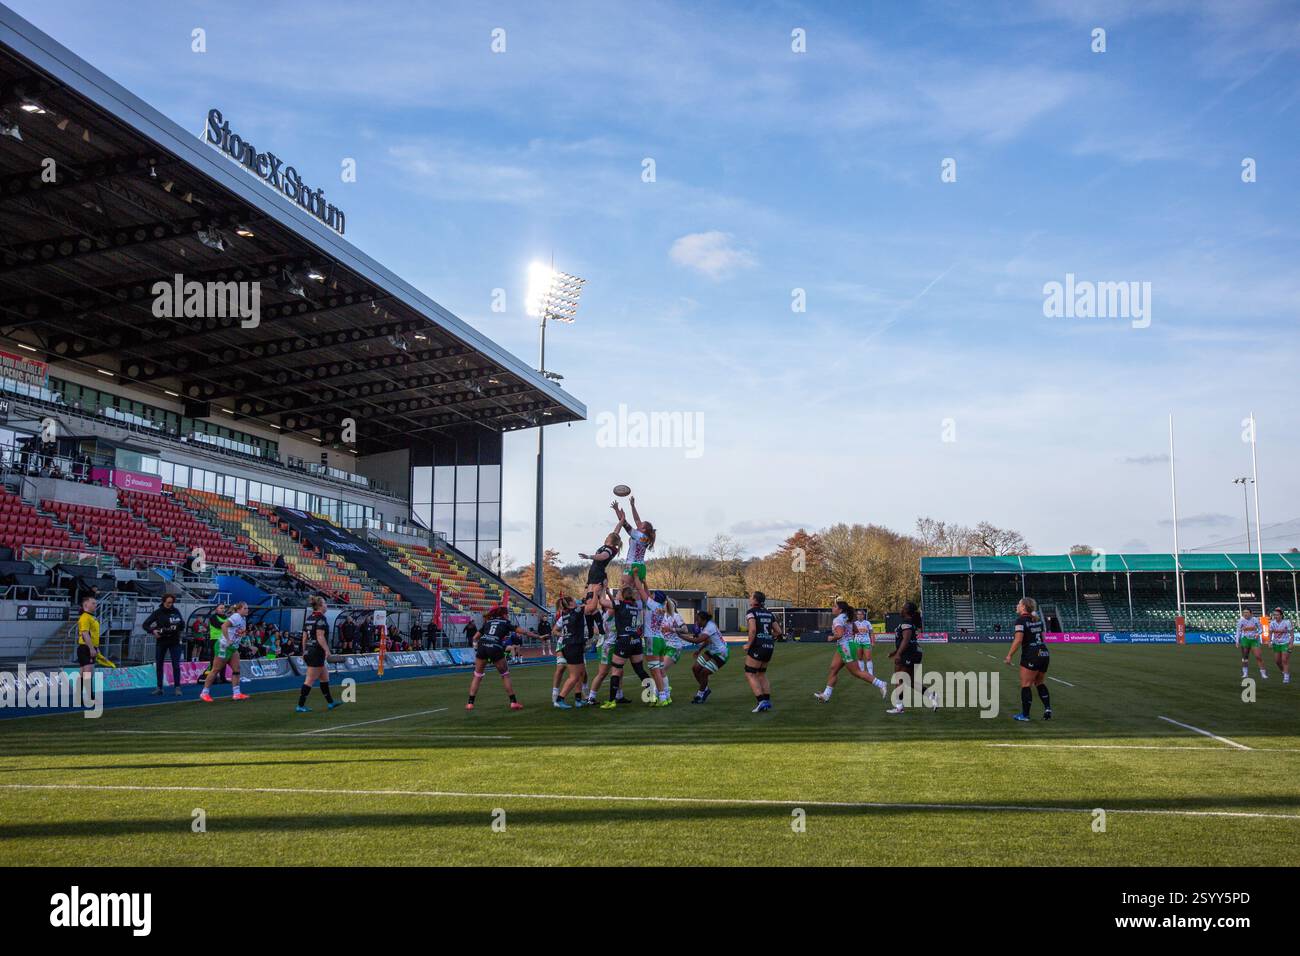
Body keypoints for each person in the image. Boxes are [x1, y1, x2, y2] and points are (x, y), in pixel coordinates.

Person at [600, 585, 662, 709]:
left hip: (624, 640)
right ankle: (652, 696)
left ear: (622, 596)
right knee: (640, 670)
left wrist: (599, 591)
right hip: (636, 641)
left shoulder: (620, 604)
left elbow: (603, 602)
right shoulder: (635, 606)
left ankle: (612, 701)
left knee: (616, 670)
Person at [814, 600, 889, 702]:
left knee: (857, 672)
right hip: (845, 646)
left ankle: (881, 684)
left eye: (835, 606)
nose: (833, 608)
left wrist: (832, 638)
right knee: (833, 669)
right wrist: (847, 635)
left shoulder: (838, 619)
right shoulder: (847, 617)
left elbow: (840, 634)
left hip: (846, 647)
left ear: (840, 610)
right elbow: (856, 630)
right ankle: (826, 695)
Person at [466, 607, 532, 711]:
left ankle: (470, 703)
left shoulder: (489, 621)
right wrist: (537, 636)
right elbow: (523, 631)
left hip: (482, 646)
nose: (508, 616)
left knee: (477, 676)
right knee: (505, 675)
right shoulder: (505, 622)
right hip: (495, 647)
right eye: (507, 614)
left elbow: (475, 637)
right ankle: (513, 702)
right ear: (504, 615)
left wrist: (475, 648)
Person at [1005, 596, 1051, 721]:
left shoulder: (1020, 621)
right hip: (1044, 653)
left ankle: (1025, 715)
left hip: (1031, 655)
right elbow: (1043, 638)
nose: (1017, 605)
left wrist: (1009, 655)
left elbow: (1018, 640)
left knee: (1026, 685)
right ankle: (1047, 708)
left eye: (1019, 604)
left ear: (1024, 606)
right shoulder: (1037, 619)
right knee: (1039, 682)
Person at [886, 601, 935, 715]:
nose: (901, 609)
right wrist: (895, 651)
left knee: (899, 679)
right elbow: (909, 640)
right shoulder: (908, 623)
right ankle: (931, 695)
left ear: (907, 611)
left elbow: (906, 640)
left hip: (908, 654)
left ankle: (899, 707)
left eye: (903, 607)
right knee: (911, 681)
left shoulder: (906, 624)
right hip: (913, 653)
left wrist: (898, 654)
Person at [297, 596, 341, 713]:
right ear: (320, 606)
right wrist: (327, 650)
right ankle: (300, 705)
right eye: (325, 603)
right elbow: (320, 636)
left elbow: (305, 636)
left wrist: (304, 650)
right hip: (316, 651)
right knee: (310, 680)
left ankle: (331, 702)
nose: (326, 605)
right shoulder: (321, 619)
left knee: (325, 677)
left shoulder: (309, 618)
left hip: (310, 651)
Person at [200, 601, 250, 702]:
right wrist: (228, 639)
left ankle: (236, 693)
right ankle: (204, 693)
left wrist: (241, 635)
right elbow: (224, 626)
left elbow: (238, 631)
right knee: (215, 669)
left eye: (247, 608)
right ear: (239, 609)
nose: (247, 610)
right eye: (245, 608)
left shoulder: (243, 618)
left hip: (232, 647)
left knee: (236, 669)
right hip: (224, 646)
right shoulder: (236, 617)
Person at [578, 514, 623, 618]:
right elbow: (616, 531)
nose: (606, 537)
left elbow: (603, 557)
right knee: (595, 601)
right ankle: (616, 607)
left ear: (610, 541)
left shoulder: (609, 549)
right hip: (595, 574)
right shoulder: (610, 545)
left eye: (607, 537)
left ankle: (617, 607)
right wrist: (621, 520)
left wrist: (589, 556)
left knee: (591, 603)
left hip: (597, 574)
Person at [743, 591, 782, 712]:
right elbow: (779, 632)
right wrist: (769, 638)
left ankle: (761, 701)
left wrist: (748, 644)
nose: (750, 598)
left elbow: (753, 630)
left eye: (751, 597)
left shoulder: (751, 612)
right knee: (761, 674)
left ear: (755, 600)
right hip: (769, 646)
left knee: (750, 673)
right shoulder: (769, 613)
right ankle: (767, 701)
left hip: (757, 646)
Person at [553, 596, 591, 709]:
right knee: (566, 672)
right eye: (574, 600)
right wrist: (563, 635)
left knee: (581, 673)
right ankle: (557, 697)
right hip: (569, 645)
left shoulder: (575, 612)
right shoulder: (571, 613)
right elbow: (554, 630)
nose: (577, 601)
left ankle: (578, 698)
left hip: (576, 645)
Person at [614, 495, 655, 601]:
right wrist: (632, 505)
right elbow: (636, 519)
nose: (639, 523)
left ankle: (615, 610)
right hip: (641, 568)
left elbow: (625, 524)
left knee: (623, 589)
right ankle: (635, 613)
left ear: (644, 529)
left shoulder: (638, 535)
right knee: (636, 593)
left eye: (641, 524)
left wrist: (617, 511)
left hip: (632, 565)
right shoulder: (645, 537)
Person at [144, 593, 185, 697]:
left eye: (171, 603)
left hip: (174, 641)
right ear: (163, 602)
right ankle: (159, 688)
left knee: (176, 665)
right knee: (159, 665)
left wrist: (176, 627)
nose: (170, 604)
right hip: (161, 641)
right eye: (168, 603)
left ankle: (177, 687)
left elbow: (182, 625)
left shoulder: (176, 611)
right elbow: (145, 624)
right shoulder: (157, 612)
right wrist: (153, 631)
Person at [690, 609, 728, 703]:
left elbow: (697, 640)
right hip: (712, 651)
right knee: (695, 668)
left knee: (704, 672)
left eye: (697, 619)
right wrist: (699, 650)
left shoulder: (710, 627)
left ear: (703, 620)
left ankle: (700, 695)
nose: (696, 622)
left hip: (721, 653)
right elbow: (707, 641)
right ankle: (705, 689)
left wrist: (680, 636)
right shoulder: (704, 626)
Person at [75, 595, 101, 709]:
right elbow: (85, 634)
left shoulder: (90, 617)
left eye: (95, 603)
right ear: (86, 605)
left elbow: (93, 634)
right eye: (93, 603)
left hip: (88, 647)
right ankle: (90, 697)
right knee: (88, 674)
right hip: (85, 647)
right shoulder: (85, 617)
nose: (95, 605)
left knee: (84, 674)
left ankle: (79, 697)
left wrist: (96, 647)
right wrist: (91, 648)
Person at [1236, 606, 1267, 680]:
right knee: (1245, 657)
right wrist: (1237, 641)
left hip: (1254, 639)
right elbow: (1238, 631)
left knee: (1258, 656)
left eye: (1247, 612)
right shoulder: (1241, 620)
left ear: (1251, 613)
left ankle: (1263, 673)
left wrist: (1257, 634)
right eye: (1244, 612)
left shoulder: (1255, 620)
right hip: (1245, 639)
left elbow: (1261, 629)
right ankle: (1245, 673)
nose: (1245, 614)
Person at [1268, 608, 1292, 684]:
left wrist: (1291, 643)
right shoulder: (1272, 623)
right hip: (1276, 643)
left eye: (1277, 615)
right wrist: (1269, 641)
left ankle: (1286, 677)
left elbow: (1291, 634)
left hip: (1285, 643)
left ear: (1281, 615)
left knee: (1284, 660)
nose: (1275, 616)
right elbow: (1270, 633)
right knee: (1277, 661)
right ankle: (1284, 672)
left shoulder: (1287, 622)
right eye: (1274, 615)